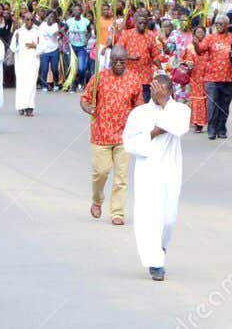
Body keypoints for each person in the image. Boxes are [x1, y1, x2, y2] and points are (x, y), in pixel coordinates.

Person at [124, 73, 189, 281]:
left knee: (168, 219)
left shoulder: (181, 110)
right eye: (154, 89)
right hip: (147, 170)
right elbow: (129, 142)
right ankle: (155, 262)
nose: (157, 93)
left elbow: (179, 127)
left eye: (162, 90)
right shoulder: (139, 113)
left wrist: (164, 106)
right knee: (149, 216)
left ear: (170, 91)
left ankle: (160, 247)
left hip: (171, 170)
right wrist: (153, 133)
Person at [80, 47, 144, 226]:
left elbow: (139, 106)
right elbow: (84, 99)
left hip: (124, 136)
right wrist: (88, 108)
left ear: (127, 61)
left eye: (122, 61)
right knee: (100, 172)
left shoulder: (134, 79)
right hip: (101, 133)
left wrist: (139, 127)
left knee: (121, 177)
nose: (118, 64)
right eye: (115, 61)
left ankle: (117, 212)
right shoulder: (99, 78)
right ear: (110, 61)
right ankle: (97, 199)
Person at [200, 16, 232, 140]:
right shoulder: (210, 38)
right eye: (216, 24)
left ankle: (221, 129)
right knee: (212, 104)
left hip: (228, 77)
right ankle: (211, 129)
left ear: (227, 25)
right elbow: (200, 50)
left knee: (224, 105)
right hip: (212, 77)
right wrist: (195, 44)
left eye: (221, 23)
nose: (218, 26)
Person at [12, 11, 42, 116]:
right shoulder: (18, 32)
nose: (29, 22)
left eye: (31, 20)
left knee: (31, 84)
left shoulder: (38, 32)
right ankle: (21, 106)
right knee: (21, 84)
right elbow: (13, 48)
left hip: (33, 62)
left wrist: (35, 46)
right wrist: (16, 40)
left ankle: (29, 107)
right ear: (24, 20)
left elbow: (43, 46)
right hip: (21, 62)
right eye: (27, 19)